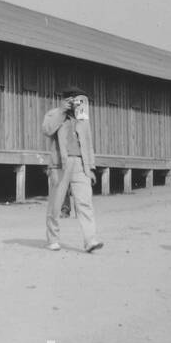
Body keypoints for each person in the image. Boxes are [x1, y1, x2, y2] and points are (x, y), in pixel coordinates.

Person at [43, 87, 104, 253]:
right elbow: (47, 130)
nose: (76, 103)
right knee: (56, 204)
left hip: (80, 164)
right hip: (60, 164)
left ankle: (90, 240)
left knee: (85, 202)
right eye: (72, 99)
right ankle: (53, 239)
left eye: (78, 100)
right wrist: (62, 111)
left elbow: (88, 144)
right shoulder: (54, 113)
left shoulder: (82, 118)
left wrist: (91, 168)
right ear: (65, 99)